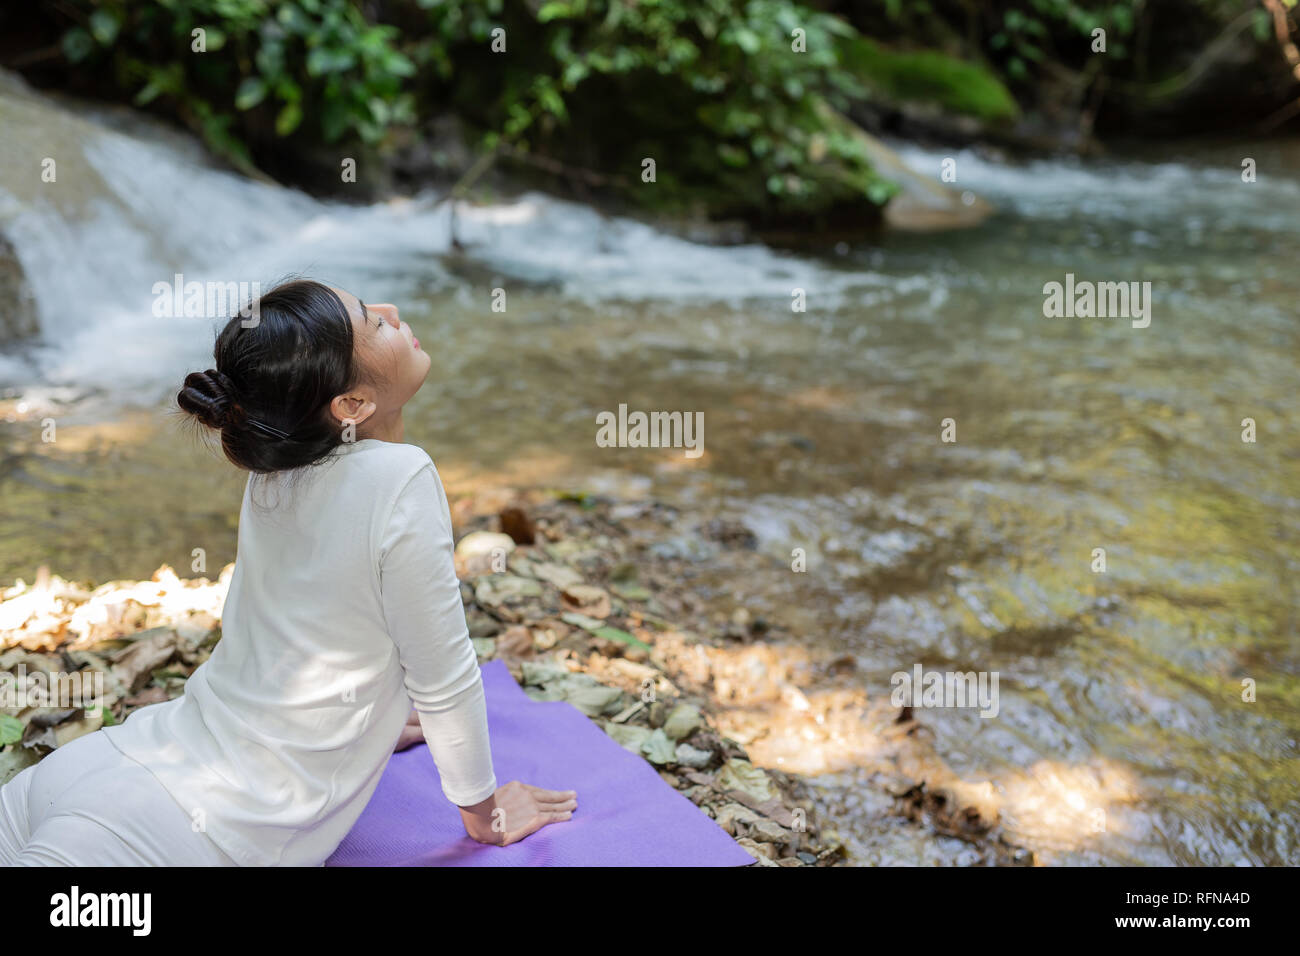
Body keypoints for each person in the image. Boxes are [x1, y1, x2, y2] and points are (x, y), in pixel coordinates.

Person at [0, 279, 576, 866]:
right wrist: (486, 815)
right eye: (371, 321)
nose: (392, 311)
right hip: (174, 831)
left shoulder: (275, 467)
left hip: (103, 769)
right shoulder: (402, 476)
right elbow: (444, 675)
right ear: (350, 405)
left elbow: (293, 629)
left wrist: (373, 716)